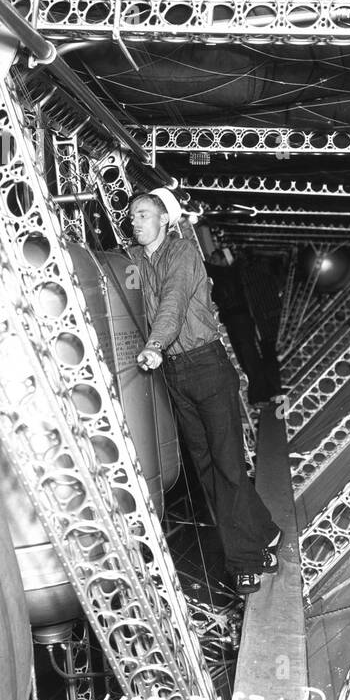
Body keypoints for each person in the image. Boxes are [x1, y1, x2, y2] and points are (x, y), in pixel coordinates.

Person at [129, 189, 281, 594]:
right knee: (208, 469)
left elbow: (174, 303)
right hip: (177, 374)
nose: (136, 221)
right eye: (132, 216)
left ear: (165, 220)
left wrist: (155, 344)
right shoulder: (142, 262)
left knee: (228, 464)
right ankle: (264, 530)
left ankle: (247, 561)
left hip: (206, 366)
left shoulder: (181, 254)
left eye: (143, 214)